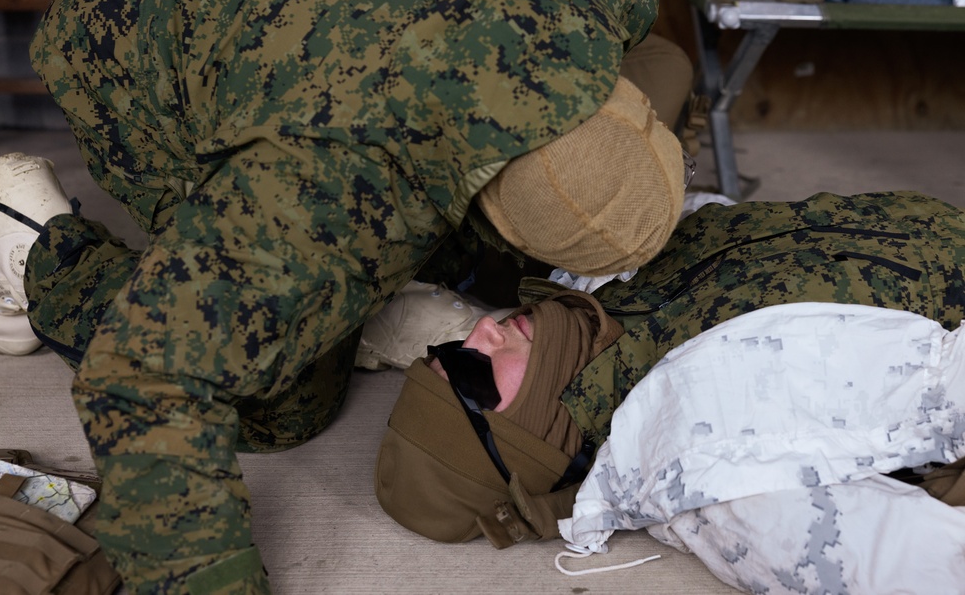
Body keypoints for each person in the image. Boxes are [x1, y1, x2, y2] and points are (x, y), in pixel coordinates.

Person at [0, 0, 690, 591]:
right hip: (138, 38)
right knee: (278, 401)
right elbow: (142, 374)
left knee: (455, 268)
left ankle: (368, 299)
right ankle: (30, 241)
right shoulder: (327, 186)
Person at [375, 189, 965, 546]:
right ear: (527, 446)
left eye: (447, 351)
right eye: (470, 372)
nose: (481, 331)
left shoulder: (594, 317)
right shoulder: (701, 425)